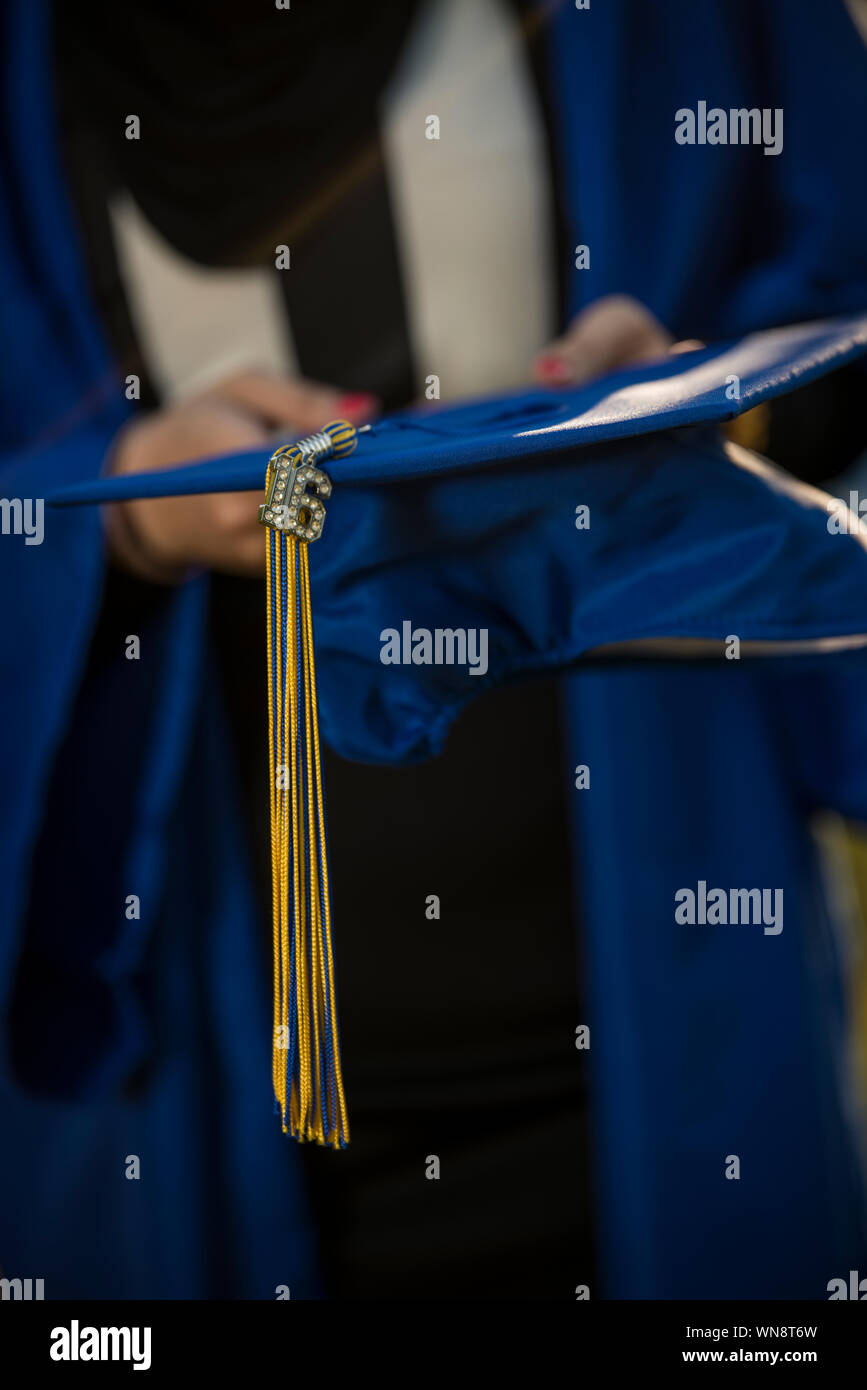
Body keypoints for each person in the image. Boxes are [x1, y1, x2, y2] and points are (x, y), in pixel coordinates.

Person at [1, 0, 866, 1300]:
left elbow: (840, 295)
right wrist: (122, 510)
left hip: (650, 934)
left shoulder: (676, 22)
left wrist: (720, 413)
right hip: (210, 1027)